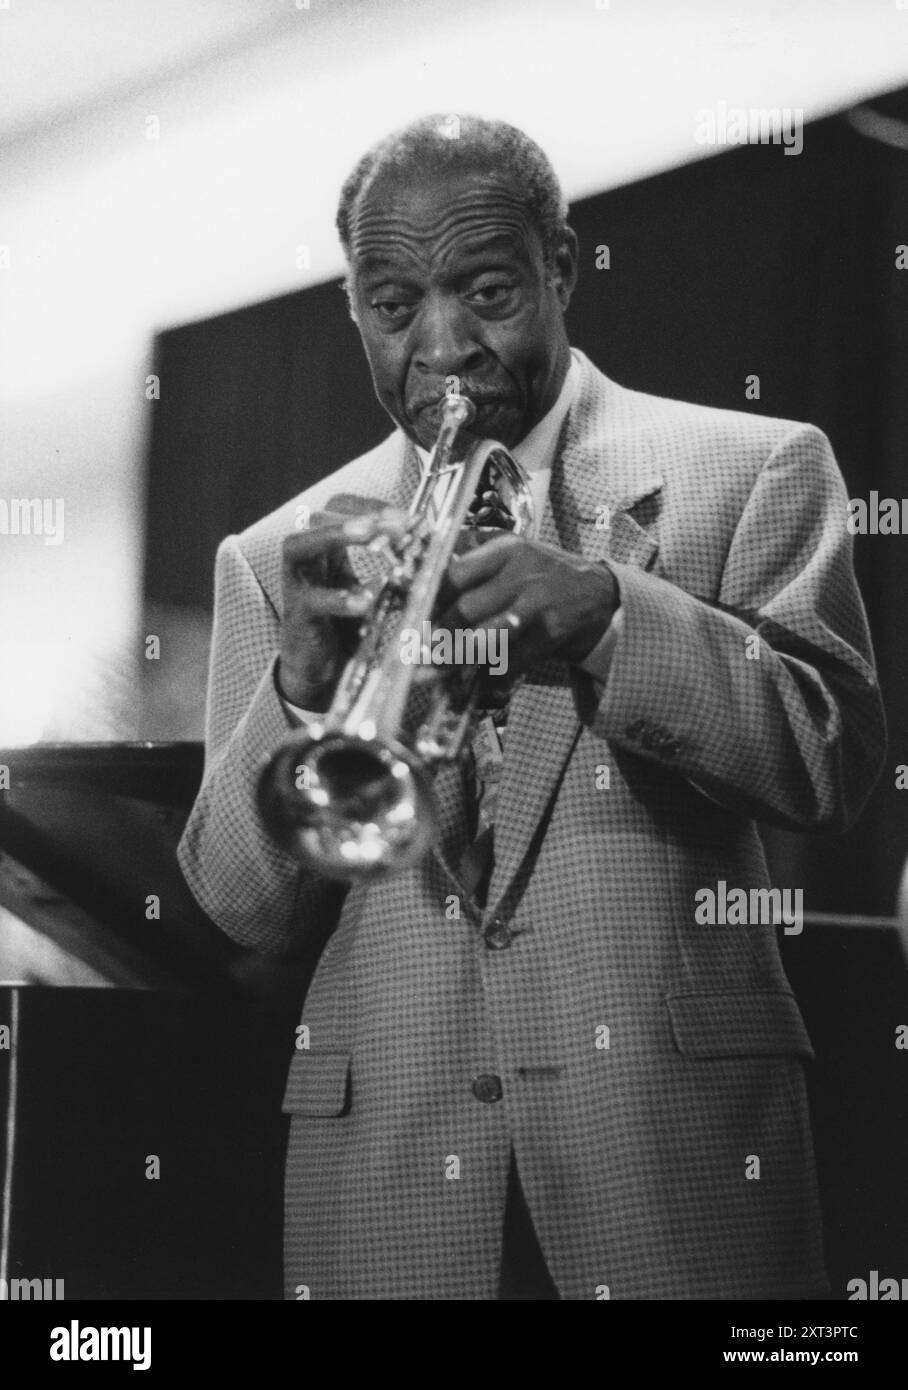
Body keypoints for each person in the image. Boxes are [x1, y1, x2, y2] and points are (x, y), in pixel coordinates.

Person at [177, 114, 886, 1300]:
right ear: (353, 309)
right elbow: (238, 903)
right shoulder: (273, 558)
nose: (444, 347)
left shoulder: (755, 466)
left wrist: (611, 613)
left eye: (487, 289)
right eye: (393, 306)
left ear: (559, 267)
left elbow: (831, 762)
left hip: (671, 1163)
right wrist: (301, 690)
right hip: (388, 1185)